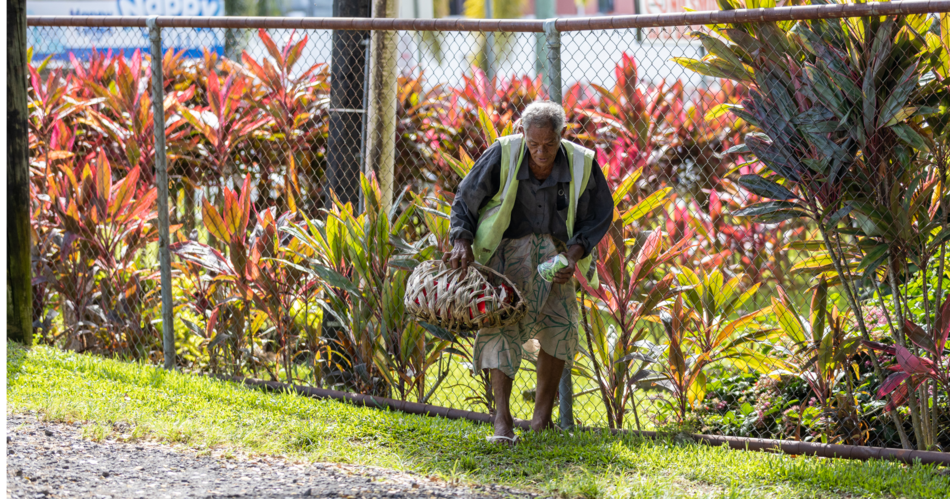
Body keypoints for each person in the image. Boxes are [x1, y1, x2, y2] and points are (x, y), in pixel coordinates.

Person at [445, 101, 614, 443]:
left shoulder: (581, 162)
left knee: (562, 326)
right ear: (522, 134)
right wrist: (461, 240)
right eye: (533, 144)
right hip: (507, 255)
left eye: (548, 145)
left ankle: (541, 420)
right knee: (501, 327)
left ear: (560, 138)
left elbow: (599, 214)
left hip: (555, 259)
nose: (540, 152)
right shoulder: (504, 152)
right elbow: (466, 198)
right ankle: (502, 422)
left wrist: (573, 253)